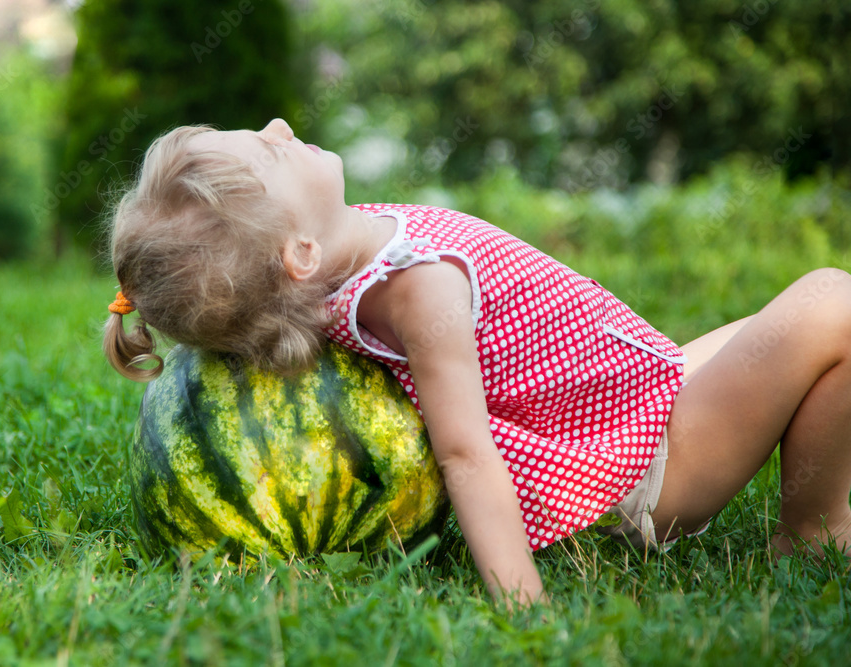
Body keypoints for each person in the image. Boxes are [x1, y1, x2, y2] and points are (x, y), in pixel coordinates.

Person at [103, 118, 851, 607]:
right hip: (651, 465)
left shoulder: (353, 255)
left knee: (781, 329)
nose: (279, 125)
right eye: (271, 150)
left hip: (638, 387)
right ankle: (812, 536)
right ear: (298, 254)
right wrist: (524, 607)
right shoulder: (414, 291)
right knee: (833, 301)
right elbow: (465, 452)